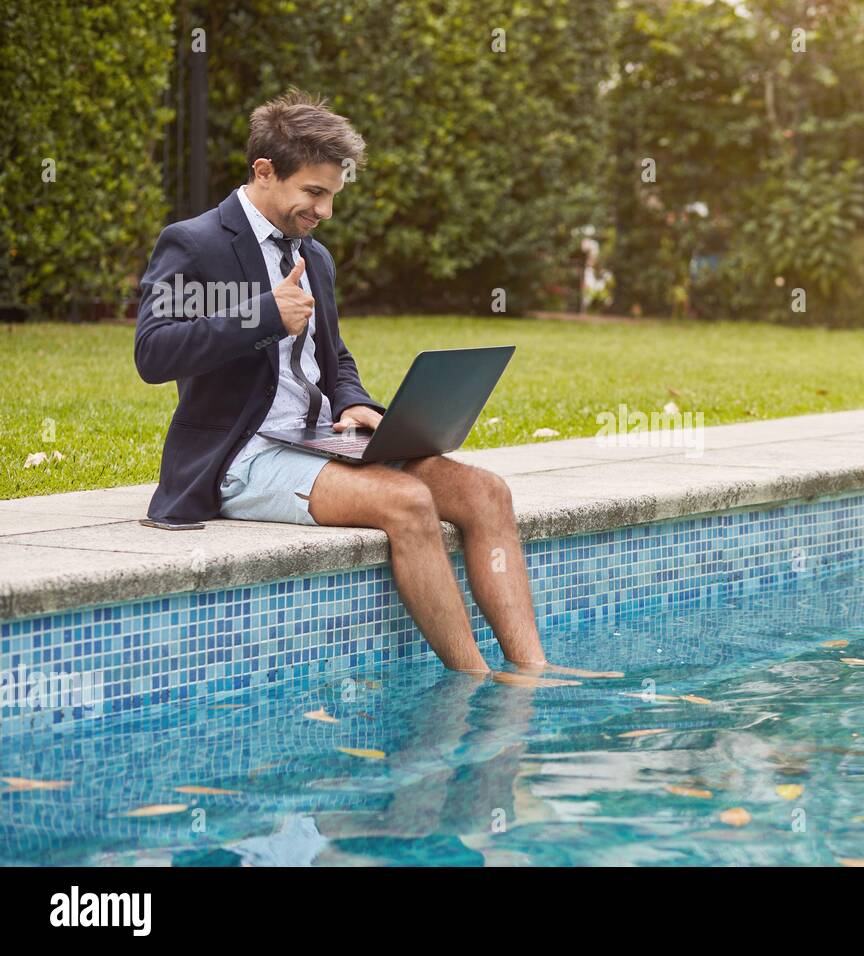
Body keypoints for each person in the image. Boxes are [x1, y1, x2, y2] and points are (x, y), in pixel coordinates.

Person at [135, 90, 566, 680]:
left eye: (333, 195)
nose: (326, 211)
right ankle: (477, 685)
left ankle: (533, 674)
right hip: (242, 453)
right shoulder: (195, 242)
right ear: (264, 171)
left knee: (486, 491)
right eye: (314, 192)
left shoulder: (315, 257)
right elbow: (153, 353)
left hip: (317, 440)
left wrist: (355, 402)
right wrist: (261, 314)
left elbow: (331, 353)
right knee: (408, 500)